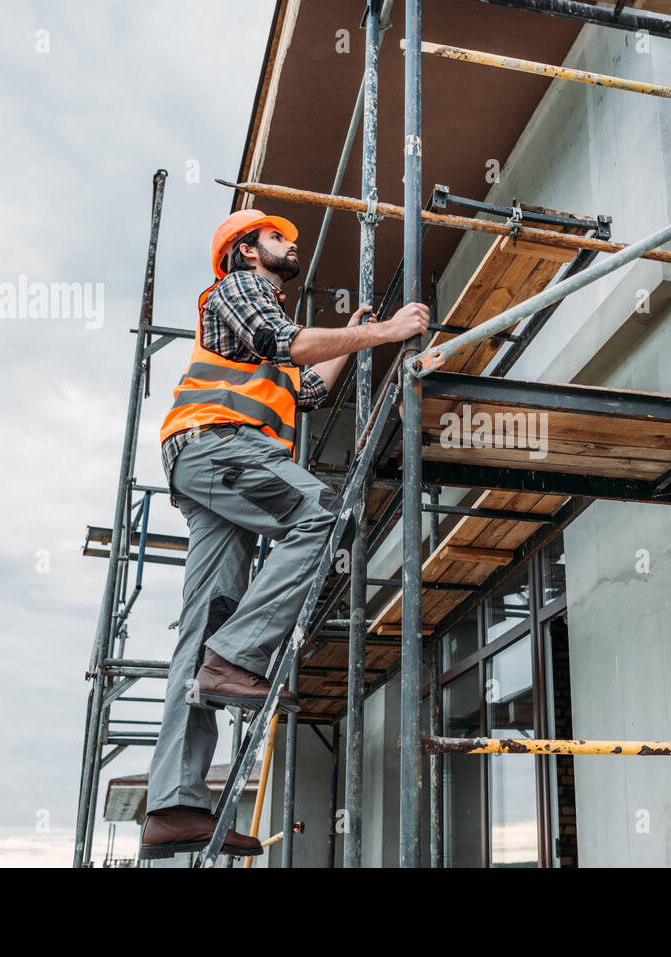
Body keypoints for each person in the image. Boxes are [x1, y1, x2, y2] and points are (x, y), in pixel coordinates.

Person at [138, 209, 429, 860]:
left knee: (204, 621)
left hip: (215, 458)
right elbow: (291, 343)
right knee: (325, 513)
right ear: (244, 251)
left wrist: (359, 341)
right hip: (221, 446)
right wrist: (387, 328)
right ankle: (238, 656)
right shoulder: (242, 292)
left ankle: (174, 804)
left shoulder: (249, 330)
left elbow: (305, 388)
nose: (290, 244)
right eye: (276, 237)